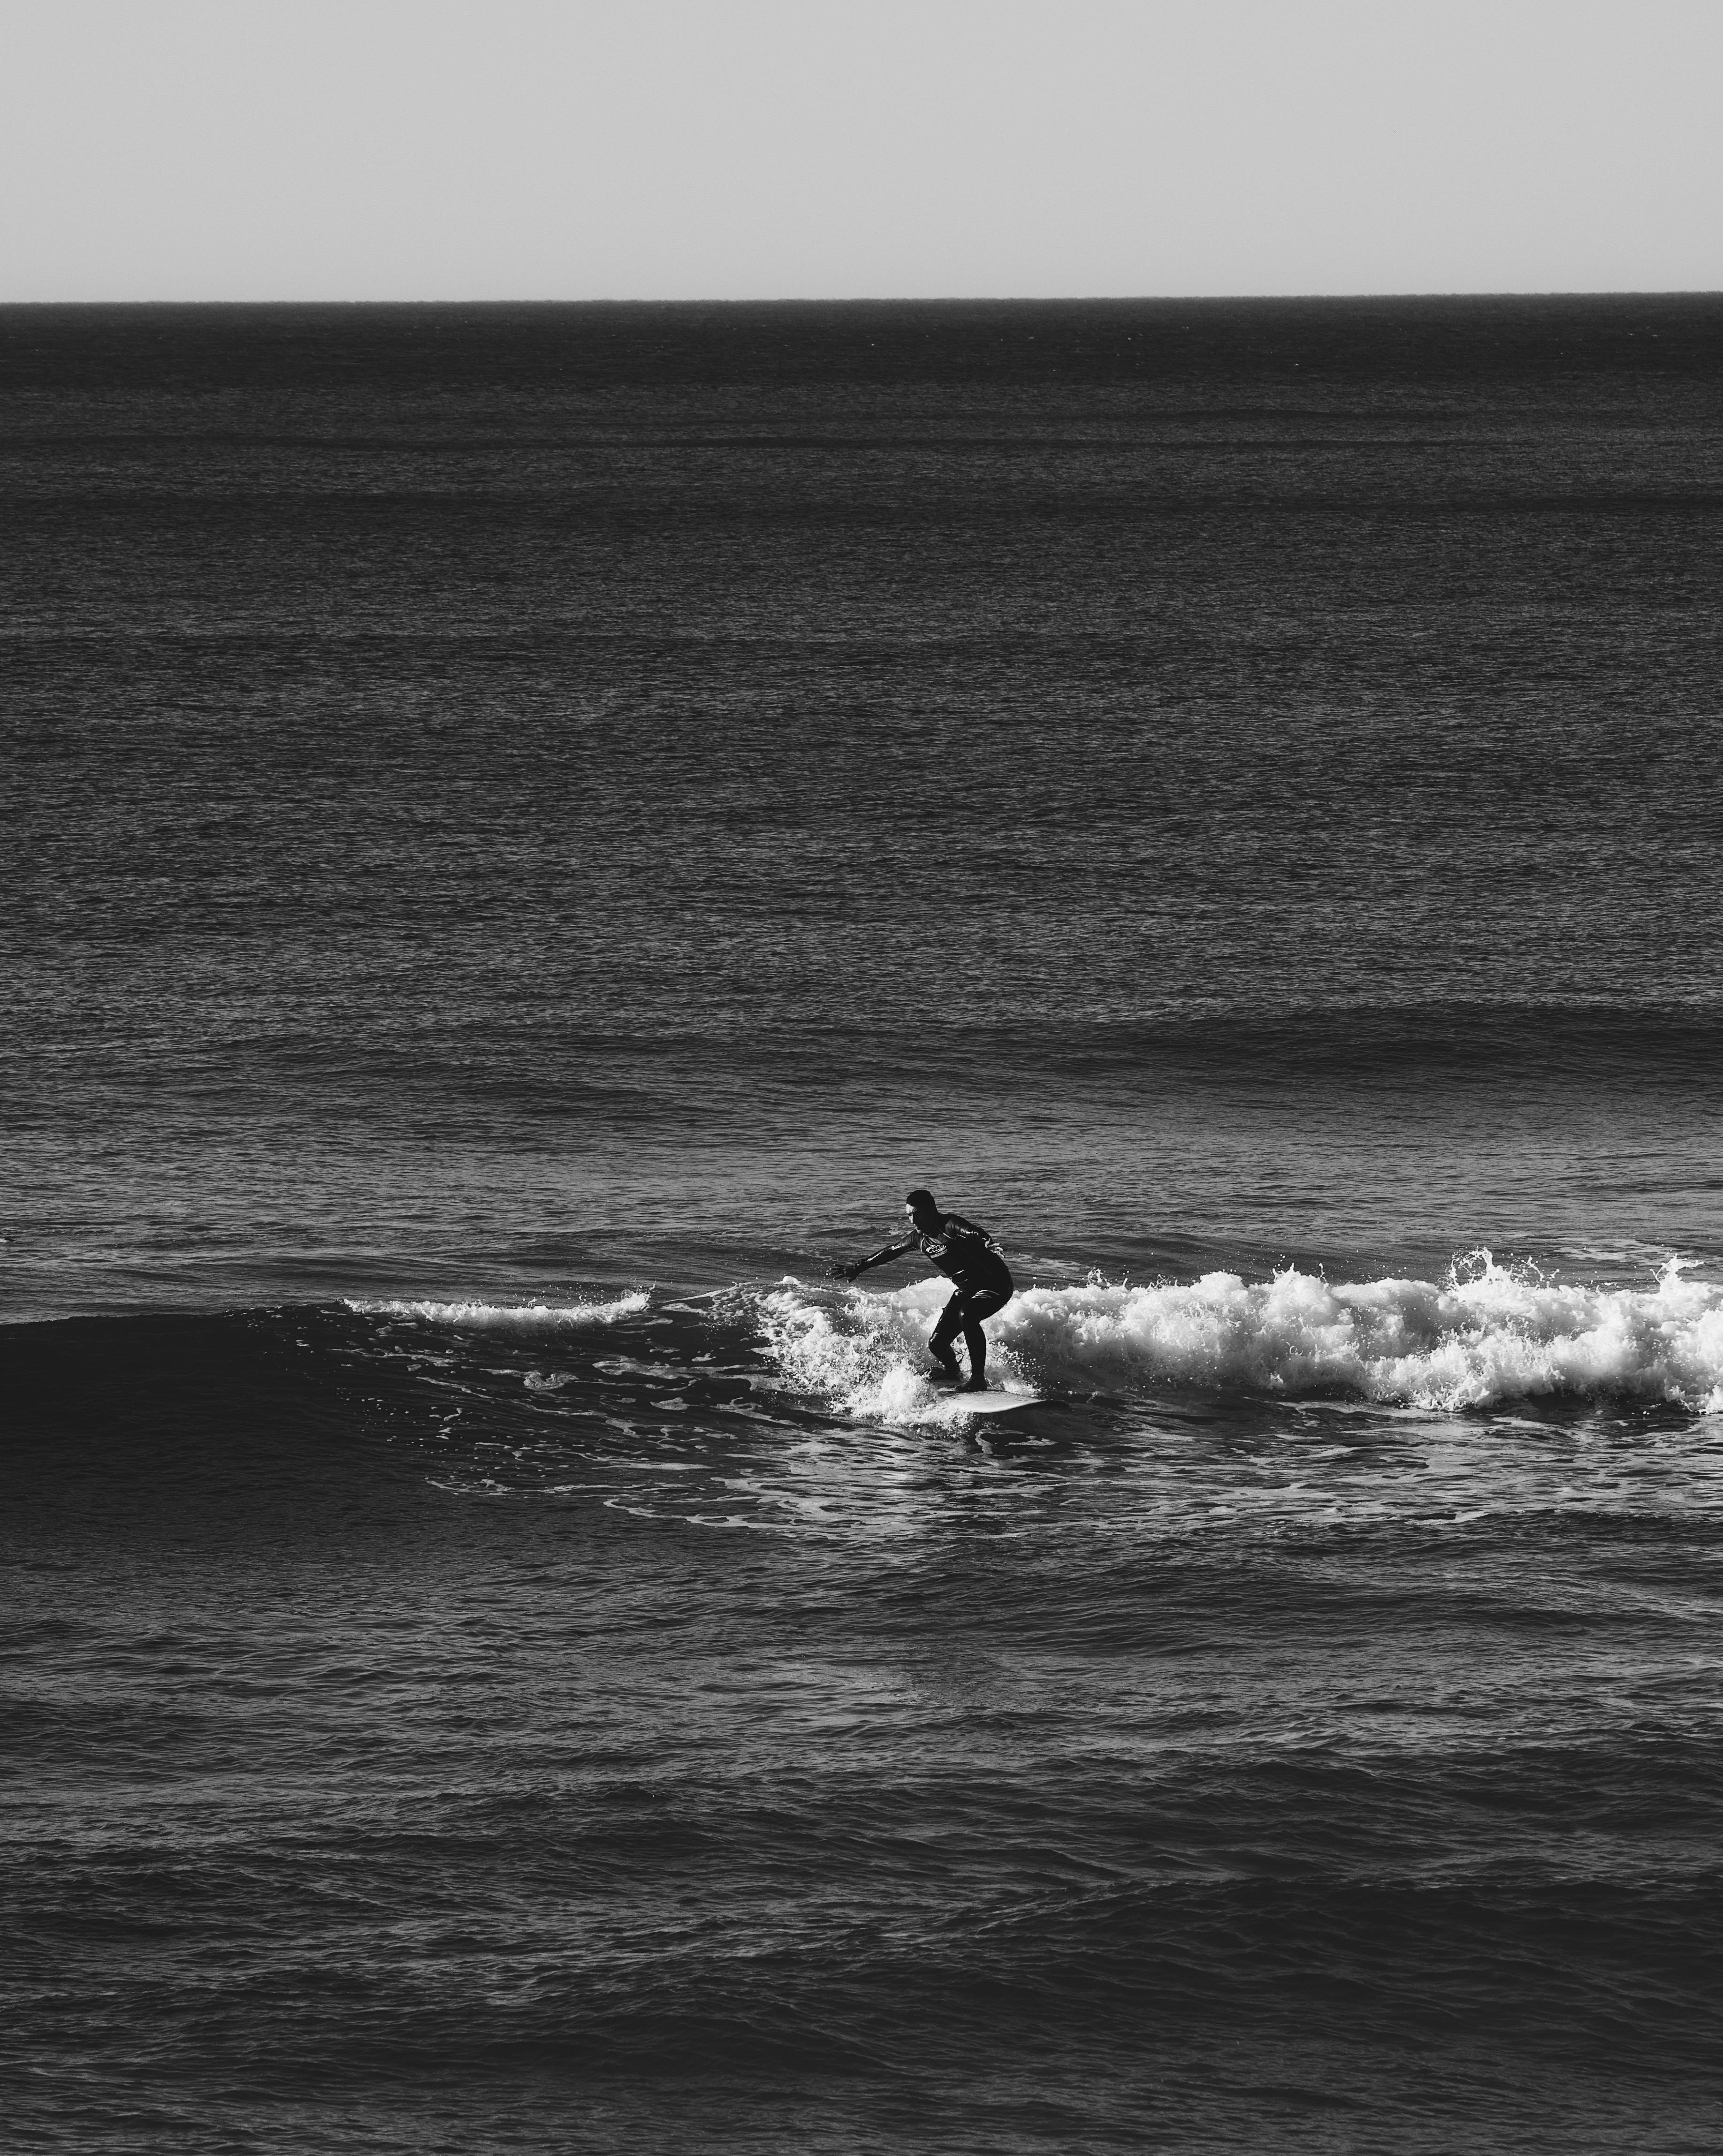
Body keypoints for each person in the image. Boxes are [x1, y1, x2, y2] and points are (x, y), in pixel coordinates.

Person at [828, 1188, 1014, 1391]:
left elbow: (969, 1230)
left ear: (931, 1210)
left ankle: (978, 1379)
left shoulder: (948, 1224)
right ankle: (953, 1371)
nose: (912, 1220)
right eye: (909, 1215)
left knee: (968, 1315)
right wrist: (858, 1267)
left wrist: (987, 1242)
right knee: (937, 1344)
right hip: (967, 1290)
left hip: (996, 1284)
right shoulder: (918, 1238)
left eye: (915, 1214)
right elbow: (891, 1251)